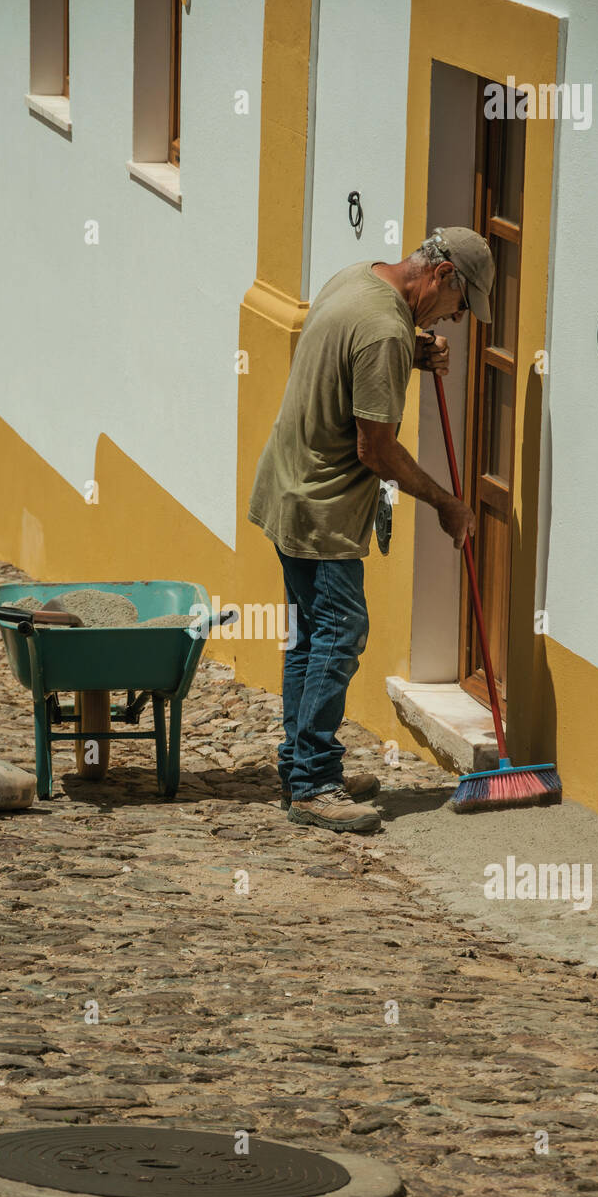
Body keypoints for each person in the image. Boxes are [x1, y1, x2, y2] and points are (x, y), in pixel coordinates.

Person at [248, 227, 495, 833]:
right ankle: (312, 785)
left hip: (288, 485)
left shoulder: (359, 278)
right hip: (323, 503)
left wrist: (411, 352)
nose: (456, 320)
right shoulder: (387, 330)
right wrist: (446, 502)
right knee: (339, 632)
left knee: (309, 635)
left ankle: (305, 765)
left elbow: (348, 352)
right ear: (443, 278)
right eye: (461, 307)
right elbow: (375, 449)